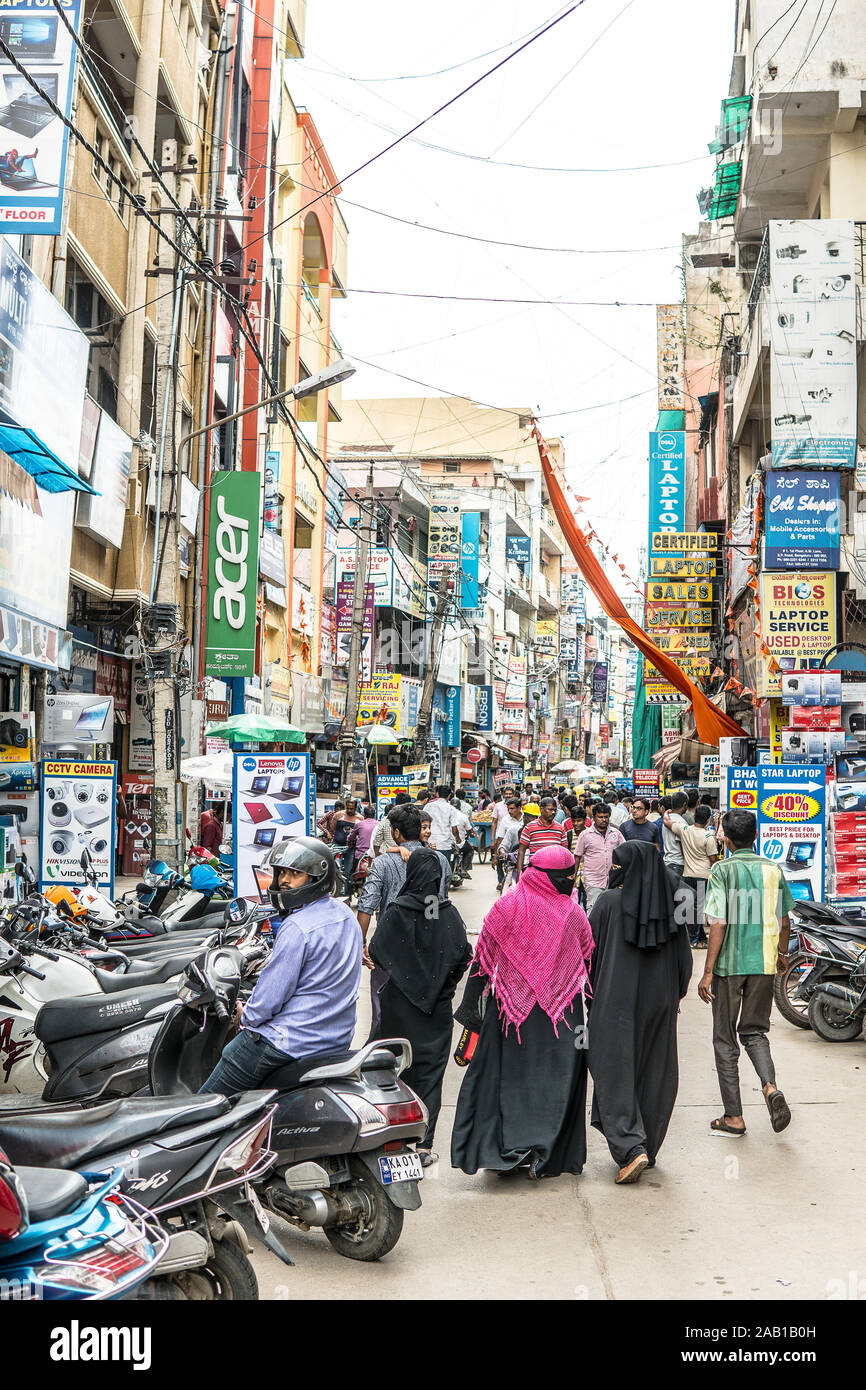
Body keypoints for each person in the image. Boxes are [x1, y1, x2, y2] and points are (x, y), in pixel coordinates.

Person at [451, 846, 594, 1178]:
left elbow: (482, 961)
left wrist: (472, 1010)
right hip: (563, 1015)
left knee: (513, 1081)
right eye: (565, 875)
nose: (569, 880)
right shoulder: (573, 913)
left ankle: (512, 1148)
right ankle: (546, 1150)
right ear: (547, 876)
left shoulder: (506, 906)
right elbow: (588, 961)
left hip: (512, 1012)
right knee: (555, 1083)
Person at [199, 839, 362, 1095]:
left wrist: (245, 1016)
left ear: (317, 877)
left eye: (295, 873)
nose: (285, 880)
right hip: (336, 1038)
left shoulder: (297, 927)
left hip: (289, 1041)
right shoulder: (345, 915)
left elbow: (270, 999)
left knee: (208, 1099)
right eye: (282, 872)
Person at [587, 841, 693, 1184]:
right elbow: (685, 960)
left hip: (614, 1001)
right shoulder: (673, 904)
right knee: (656, 1070)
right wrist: (674, 994)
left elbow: (588, 954)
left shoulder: (606, 903)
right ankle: (647, 1142)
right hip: (661, 1001)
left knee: (612, 1067)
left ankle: (632, 1148)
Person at [369, 849, 472, 1165]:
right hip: (435, 1013)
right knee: (430, 1074)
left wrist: (403, 979)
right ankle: (424, 1146)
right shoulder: (447, 912)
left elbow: (377, 950)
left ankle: (394, 1138)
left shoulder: (397, 911)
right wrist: (443, 989)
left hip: (399, 1008)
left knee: (396, 1071)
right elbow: (463, 955)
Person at [698, 810, 793, 1137]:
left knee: (725, 1040)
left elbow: (719, 922)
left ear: (725, 837)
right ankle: (769, 1087)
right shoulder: (772, 869)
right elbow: (784, 921)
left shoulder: (721, 870)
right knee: (754, 1032)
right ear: (755, 836)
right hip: (764, 964)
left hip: (729, 967)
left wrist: (707, 971)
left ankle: (734, 1117)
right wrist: (782, 955)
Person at [680, 804, 720, 947]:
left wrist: (667, 812)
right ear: (708, 819)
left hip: (686, 875)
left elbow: (667, 822)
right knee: (697, 909)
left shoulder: (684, 830)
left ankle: (700, 937)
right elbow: (713, 860)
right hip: (702, 877)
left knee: (688, 907)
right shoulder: (708, 837)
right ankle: (693, 940)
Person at [575, 802, 624, 912]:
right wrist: (574, 878)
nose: (603, 820)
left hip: (613, 881)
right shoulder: (585, 835)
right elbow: (577, 856)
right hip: (593, 881)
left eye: (606, 817)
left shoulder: (616, 833)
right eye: (600, 817)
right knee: (594, 911)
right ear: (593, 817)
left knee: (611, 911)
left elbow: (624, 853)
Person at [515, 795, 570, 878]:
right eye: (550, 809)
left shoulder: (560, 828)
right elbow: (521, 851)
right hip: (536, 874)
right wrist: (519, 875)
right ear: (541, 810)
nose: (553, 812)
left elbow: (565, 852)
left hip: (556, 874)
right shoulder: (529, 828)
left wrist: (567, 873)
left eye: (555, 810)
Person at [491, 798, 524, 893]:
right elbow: (501, 840)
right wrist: (498, 855)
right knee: (507, 884)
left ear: (519, 808)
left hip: (529, 861)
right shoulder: (506, 821)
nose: (509, 811)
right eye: (508, 809)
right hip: (513, 860)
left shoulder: (528, 819)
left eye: (512, 808)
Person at [661, 791, 689, 889]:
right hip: (678, 864)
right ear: (684, 805)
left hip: (668, 862)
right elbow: (683, 846)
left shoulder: (667, 818)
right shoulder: (681, 822)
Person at [424, 785, 462, 854]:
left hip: (429, 844)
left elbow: (422, 822)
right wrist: (458, 839)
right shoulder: (451, 809)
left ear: (437, 793)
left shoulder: (428, 806)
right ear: (449, 795)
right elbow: (454, 830)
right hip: (444, 845)